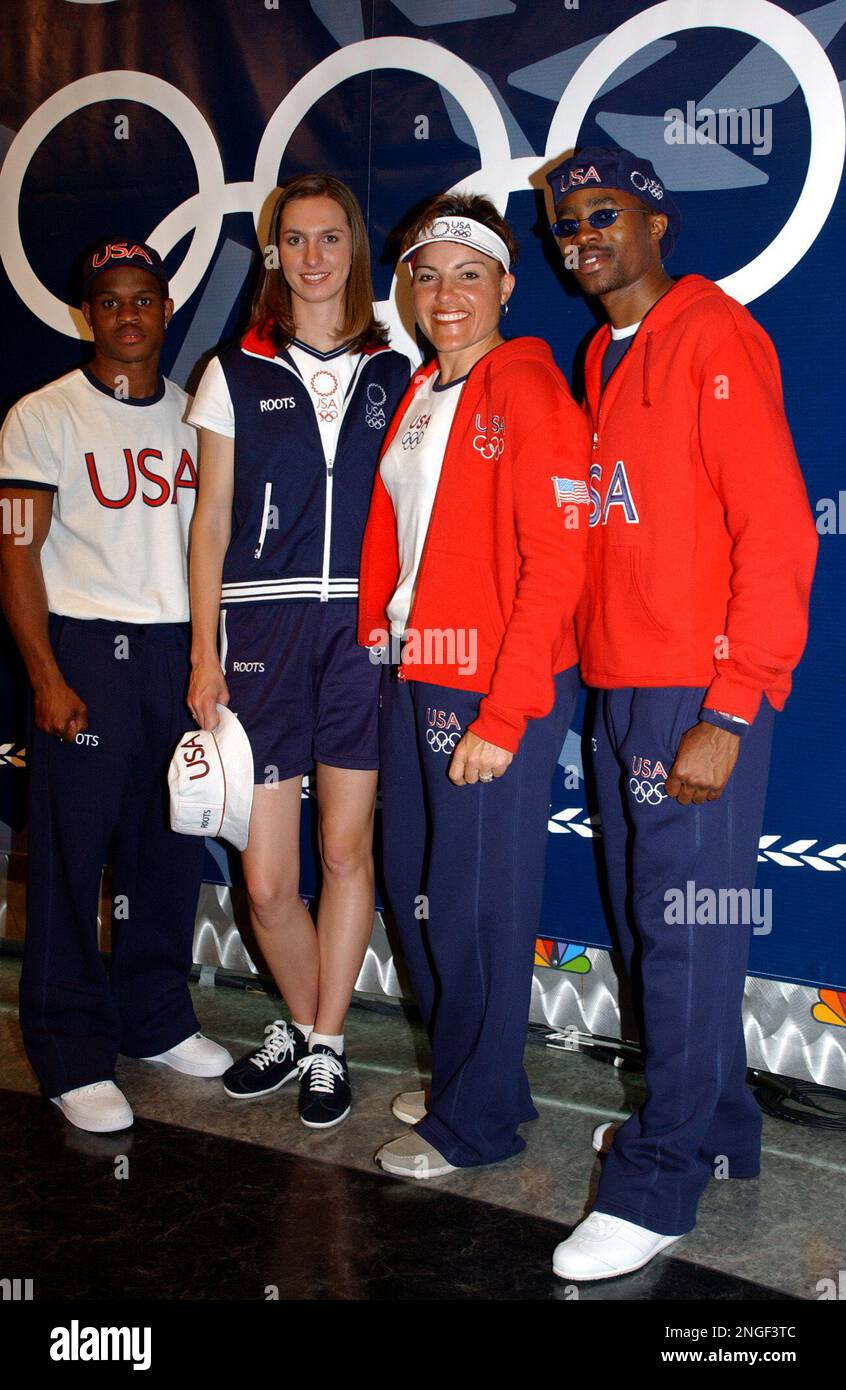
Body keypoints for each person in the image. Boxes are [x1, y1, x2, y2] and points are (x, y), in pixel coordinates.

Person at [545, 147, 818, 1280]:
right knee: (661, 927)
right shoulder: (602, 354)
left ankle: (656, 1186)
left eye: (603, 215)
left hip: (694, 695)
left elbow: (780, 533)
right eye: (565, 225)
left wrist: (734, 704)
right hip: (621, 693)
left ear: (658, 223)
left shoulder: (712, 335)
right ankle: (717, 1133)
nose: (582, 237)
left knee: (685, 939)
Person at [358, 193, 590, 1177]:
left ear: (505, 283)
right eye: (427, 272)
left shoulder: (529, 388)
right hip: (417, 676)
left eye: (468, 272)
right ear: (407, 287)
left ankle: (478, 1121)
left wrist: (506, 708)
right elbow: (392, 549)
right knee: (420, 893)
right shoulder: (419, 396)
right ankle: (471, 1075)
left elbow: (561, 560)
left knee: (476, 907)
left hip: (492, 688)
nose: (446, 293)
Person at [187, 174, 409, 1128]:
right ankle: (306, 1022)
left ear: (354, 251)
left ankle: (322, 1044)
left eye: (330, 238)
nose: (313, 257)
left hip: (358, 633)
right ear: (273, 254)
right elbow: (209, 525)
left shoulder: (401, 370)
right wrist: (204, 653)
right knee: (270, 881)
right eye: (294, 240)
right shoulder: (232, 368)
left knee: (344, 848)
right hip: (261, 633)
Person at [0, 238, 233, 1134]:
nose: (129, 314)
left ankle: (157, 1018)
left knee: (165, 848)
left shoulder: (193, 415)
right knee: (69, 857)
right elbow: (15, 553)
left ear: (167, 311)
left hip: (177, 652)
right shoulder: (41, 415)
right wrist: (45, 674)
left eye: (145, 299)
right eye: (110, 301)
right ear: (84, 315)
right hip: (87, 650)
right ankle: (67, 1049)